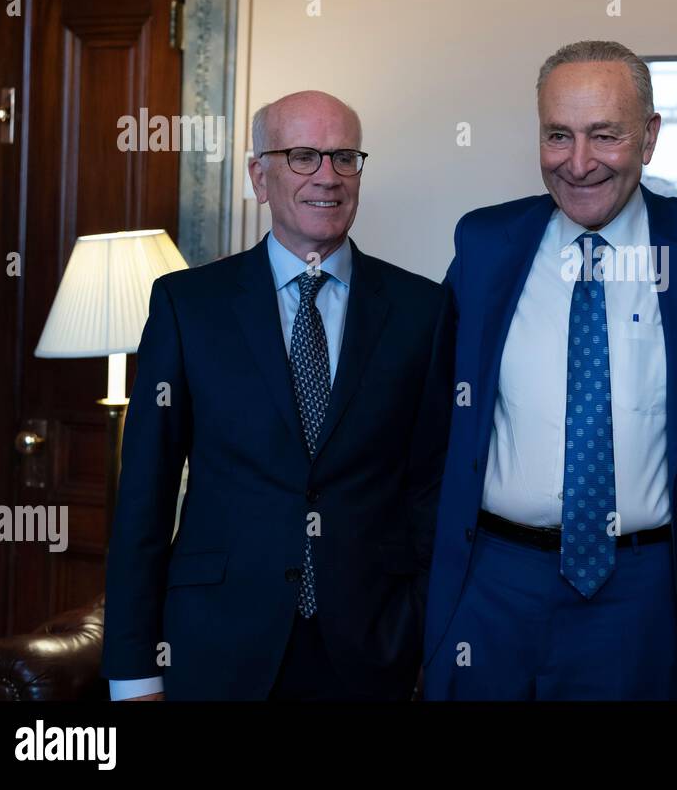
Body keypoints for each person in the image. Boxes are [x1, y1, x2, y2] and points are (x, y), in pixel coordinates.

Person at [423, 41, 677, 699]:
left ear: (649, 137)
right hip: (494, 586)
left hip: (649, 594)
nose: (578, 163)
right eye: (557, 136)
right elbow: (433, 424)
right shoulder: (485, 246)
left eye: (605, 136)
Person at [102, 90, 449, 700]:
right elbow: (144, 501)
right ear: (260, 177)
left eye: (345, 158)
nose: (329, 176)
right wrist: (133, 673)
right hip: (216, 645)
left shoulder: (422, 311)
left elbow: (430, 492)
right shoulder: (188, 307)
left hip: (372, 653)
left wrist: (424, 635)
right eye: (303, 156)